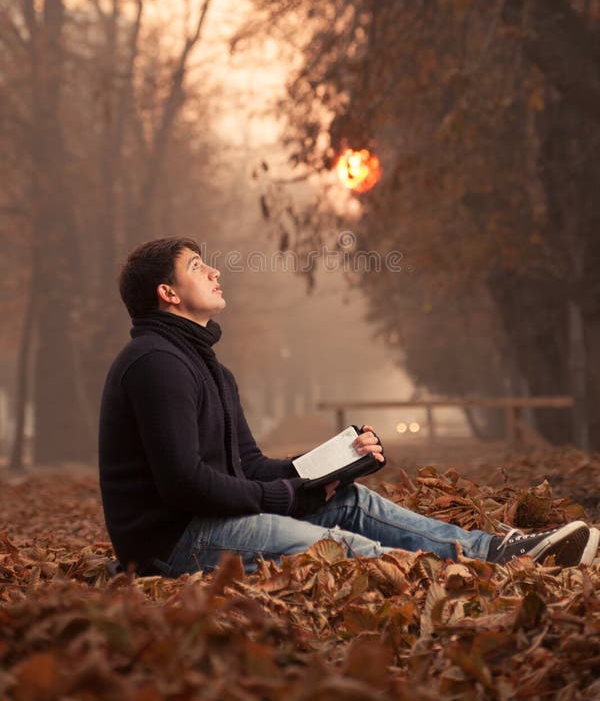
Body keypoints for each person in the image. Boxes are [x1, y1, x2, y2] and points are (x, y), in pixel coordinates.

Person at [99, 237, 599, 577]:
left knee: (350, 503)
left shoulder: (207, 366)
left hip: (212, 520)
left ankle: (494, 550)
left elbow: (248, 466)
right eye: (195, 266)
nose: (213, 270)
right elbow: (184, 483)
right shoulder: (154, 364)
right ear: (167, 293)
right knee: (337, 548)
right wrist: (287, 496)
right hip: (174, 544)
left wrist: (328, 468)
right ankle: (476, 575)